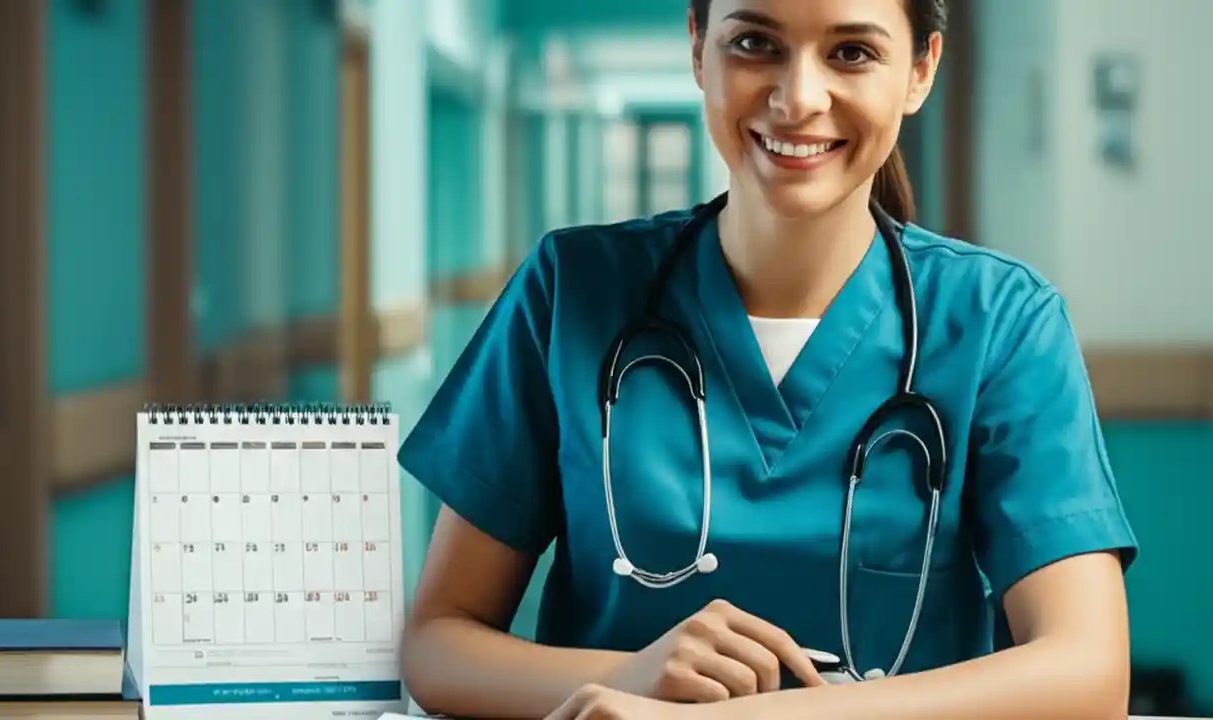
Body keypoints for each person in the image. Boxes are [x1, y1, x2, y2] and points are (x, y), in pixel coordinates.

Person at [396, 0, 1139, 718]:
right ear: (698, 47)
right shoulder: (570, 291)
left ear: (921, 70)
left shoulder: (999, 321)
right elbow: (438, 644)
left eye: (852, 52)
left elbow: (1089, 672)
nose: (798, 98)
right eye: (756, 44)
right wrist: (628, 676)